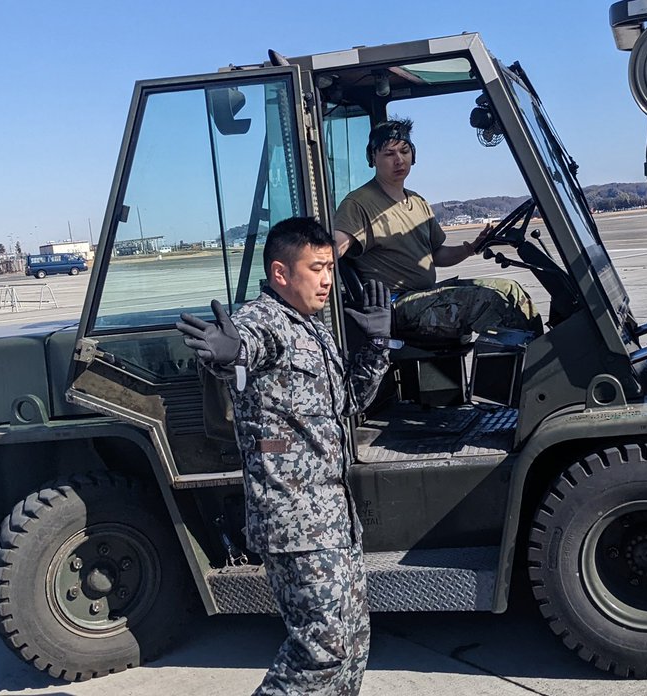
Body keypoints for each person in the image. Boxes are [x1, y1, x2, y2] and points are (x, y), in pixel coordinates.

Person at [175, 216, 393, 696]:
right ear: (280, 273)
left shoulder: (313, 330)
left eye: (330, 268)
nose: (327, 279)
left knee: (353, 644)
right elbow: (246, 347)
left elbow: (349, 404)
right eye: (316, 268)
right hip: (295, 525)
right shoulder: (264, 322)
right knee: (321, 649)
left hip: (335, 518)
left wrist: (375, 347)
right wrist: (227, 352)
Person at [333, 118, 542, 342]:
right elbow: (334, 248)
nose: (399, 160)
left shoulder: (417, 202)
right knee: (490, 300)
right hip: (396, 307)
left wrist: (470, 248)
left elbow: (436, 254)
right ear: (372, 158)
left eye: (404, 151)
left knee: (510, 291)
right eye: (389, 154)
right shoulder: (359, 203)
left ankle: (532, 360)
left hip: (423, 297)